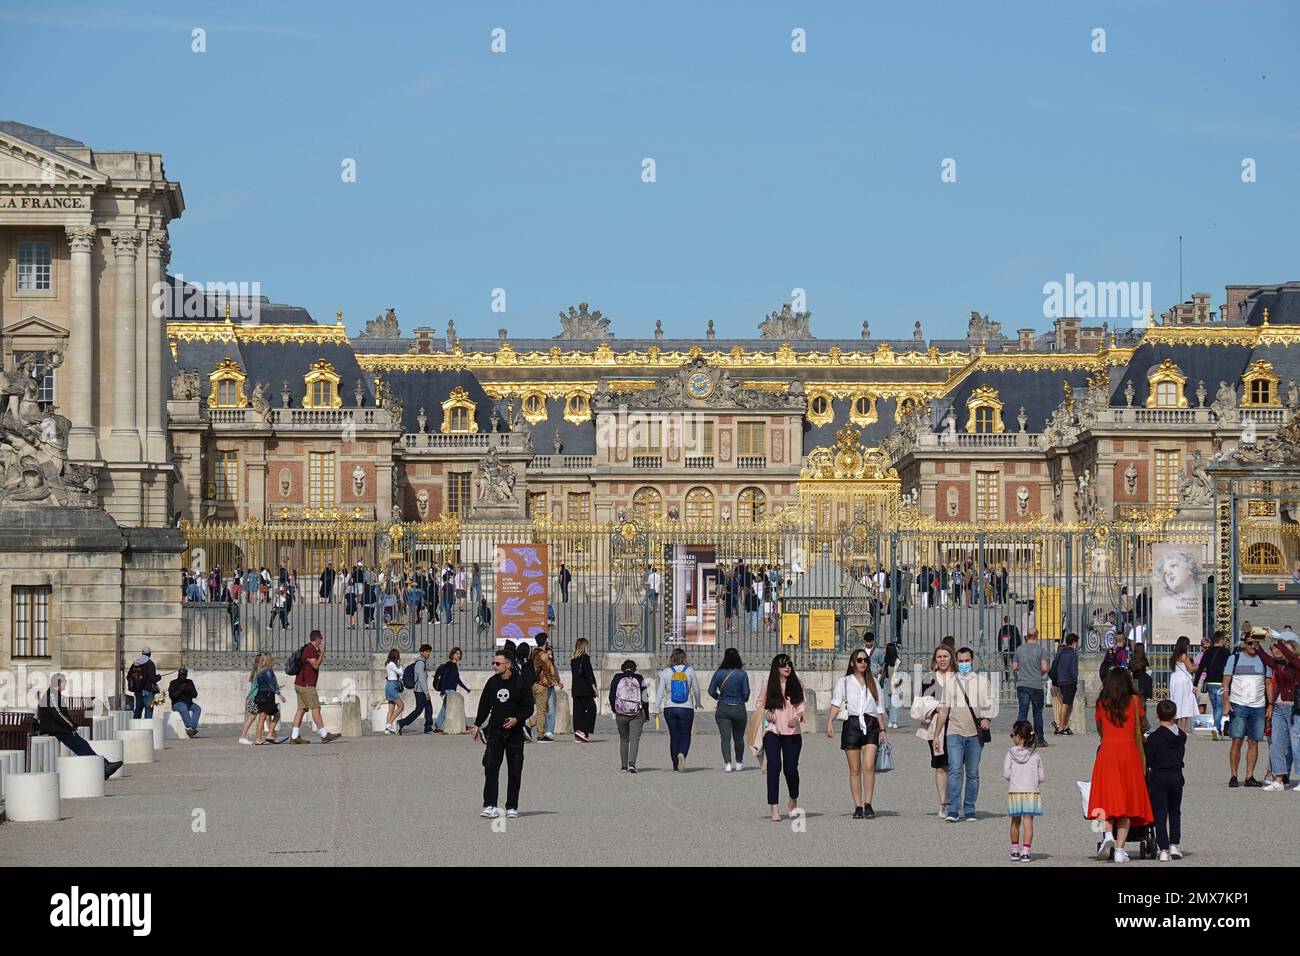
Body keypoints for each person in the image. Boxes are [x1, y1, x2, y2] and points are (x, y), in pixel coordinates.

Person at [1089, 669, 1155, 863]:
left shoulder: (1102, 703)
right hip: (1128, 753)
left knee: (1107, 798)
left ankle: (1107, 835)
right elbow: (1142, 725)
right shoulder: (1135, 702)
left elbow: (1100, 729)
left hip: (1108, 752)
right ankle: (1119, 849)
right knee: (1126, 802)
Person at [469, 649, 534, 819]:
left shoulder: (521, 683)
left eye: (497, 663)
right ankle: (490, 804)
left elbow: (529, 707)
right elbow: (484, 705)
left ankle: (512, 806)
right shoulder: (492, 683)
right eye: (493, 663)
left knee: (514, 770)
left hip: (514, 734)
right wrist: (477, 724)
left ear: (508, 665)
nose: (494, 666)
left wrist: (517, 719)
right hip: (495, 732)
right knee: (491, 768)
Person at [827, 647, 886, 818]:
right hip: (852, 724)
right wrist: (830, 721)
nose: (863, 663)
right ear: (853, 663)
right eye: (859, 660)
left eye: (865, 660)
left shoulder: (874, 682)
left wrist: (882, 728)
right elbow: (836, 703)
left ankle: (868, 803)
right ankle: (858, 806)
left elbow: (879, 708)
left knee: (869, 765)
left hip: (871, 723)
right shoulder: (844, 682)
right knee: (855, 769)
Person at [943, 647, 995, 822]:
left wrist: (987, 719)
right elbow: (944, 710)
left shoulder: (982, 682)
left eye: (967, 660)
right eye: (961, 661)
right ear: (956, 662)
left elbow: (989, 704)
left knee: (972, 772)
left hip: (974, 733)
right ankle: (952, 809)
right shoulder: (950, 683)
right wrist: (936, 734)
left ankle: (970, 808)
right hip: (954, 731)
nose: (964, 664)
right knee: (955, 769)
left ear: (972, 661)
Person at [37, 674, 123, 780]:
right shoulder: (51, 696)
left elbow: (63, 714)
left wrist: (72, 725)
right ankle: (103, 767)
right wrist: (71, 726)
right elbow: (58, 714)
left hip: (60, 728)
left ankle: (104, 766)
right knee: (79, 745)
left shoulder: (55, 695)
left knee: (82, 744)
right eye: (64, 683)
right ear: (58, 684)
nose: (65, 685)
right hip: (54, 729)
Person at [759, 653, 806, 821]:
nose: (787, 668)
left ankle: (793, 798)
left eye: (789, 665)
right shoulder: (768, 685)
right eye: (783, 665)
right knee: (774, 766)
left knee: (791, 769)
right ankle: (774, 807)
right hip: (772, 731)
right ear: (776, 668)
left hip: (792, 732)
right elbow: (760, 703)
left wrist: (798, 716)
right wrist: (767, 713)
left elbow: (801, 705)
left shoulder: (797, 684)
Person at [1224, 632, 1272, 787]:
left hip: (1258, 706)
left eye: (1256, 643)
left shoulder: (1264, 661)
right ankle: (1233, 775)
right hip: (1238, 704)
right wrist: (1226, 702)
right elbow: (1225, 682)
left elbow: (1268, 683)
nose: (1253, 646)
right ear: (1244, 644)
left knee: (1254, 742)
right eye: (1250, 643)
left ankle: (1249, 776)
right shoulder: (1234, 658)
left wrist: (1270, 704)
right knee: (1237, 740)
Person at [1144, 699, 1187, 861]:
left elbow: (1149, 759)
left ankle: (1163, 849)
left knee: (1160, 814)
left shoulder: (1154, 738)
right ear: (1175, 715)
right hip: (1176, 774)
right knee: (1175, 811)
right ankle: (1174, 844)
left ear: (1157, 714)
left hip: (1159, 775)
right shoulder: (1181, 736)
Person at [918, 644, 959, 816]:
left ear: (951, 658)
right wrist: (939, 707)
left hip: (957, 724)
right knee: (941, 765)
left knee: (957, 765)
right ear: (935, 659)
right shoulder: (930, 679)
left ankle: (956, 801)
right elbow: (924, 702)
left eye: (945, 656)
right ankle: (943, 803)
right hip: (936, 726)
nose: (942, 660)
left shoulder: (959, 678)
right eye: (939, 657)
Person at [1258, 635, 1300, 790]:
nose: (1278, 651)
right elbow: (1265, 658)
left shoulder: (1297, 664)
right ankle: (1278, 780)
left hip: (1294, 710)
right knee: (1276, 743)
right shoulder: (1279, 665)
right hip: (1279, 708)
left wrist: (1277, 641)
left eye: (1284, 650)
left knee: (1296, 744)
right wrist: (1257, 645)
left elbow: (1290, 657)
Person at [653, 647, 702, 771]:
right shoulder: (689, 671)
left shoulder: (666, 672)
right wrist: (698, 702)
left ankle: (675, 765)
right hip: (686, 707)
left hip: (670, 707)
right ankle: (682, 753)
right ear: (684, 658)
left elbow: (660, 692)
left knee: (674, 736)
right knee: (686, 734)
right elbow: (696, 689)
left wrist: (656, 709)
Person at [291, 630, 341, 744]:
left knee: (301, 709)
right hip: (306, 685)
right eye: (321, 639)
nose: (321, 641)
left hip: (300, 683)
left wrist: (318, 653)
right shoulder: (309, 650)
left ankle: (294, 736)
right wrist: (322, 653)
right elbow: (316, 665)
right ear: (317, 639)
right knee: (316, 708)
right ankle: (324, 734)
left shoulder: (311, 649)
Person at [1003, 720, 1044, 861]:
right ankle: (1026, 851)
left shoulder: (1010, 753)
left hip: (1015, 791)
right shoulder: (1035, 755)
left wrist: (1016, 778)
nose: (1012, 737)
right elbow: (1042, 777)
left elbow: (1006, 773)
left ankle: (1015, 849)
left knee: (1015, 822)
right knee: (1028, 822)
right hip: (1031, 792)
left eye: (1012, 735)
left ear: (1019, 737)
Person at [708, 647, 751, 771]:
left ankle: (727, 763)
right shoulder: (742, 674)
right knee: (739, 737)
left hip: (723, 708)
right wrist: (743, 699)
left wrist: (719, 697)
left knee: (725, 737)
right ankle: (738, 762)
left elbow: (711, 690)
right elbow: (746, 692)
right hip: (738, 708)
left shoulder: (719, 673)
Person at [1011, 627, 1050, 746]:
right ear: (1037, 636)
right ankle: (1039, 739)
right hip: (1036, 684)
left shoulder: (1019, 649)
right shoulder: (1041, 650)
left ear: (1026, 636)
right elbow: (1044, 668)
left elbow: (1014, 667)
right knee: (1037, 713)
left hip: (1023, 683)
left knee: (1023, 712)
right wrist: (1041, 672)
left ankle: (1020, 737)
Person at [609, 659, 649, 772]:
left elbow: (611, 695)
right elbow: (645, 698)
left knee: (624, 739)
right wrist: (645, 713)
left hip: (620, 712)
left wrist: (614, 709)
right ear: (634, 668)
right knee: (634, 739)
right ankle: (632, 764)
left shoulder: (617, 678)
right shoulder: (639, 678)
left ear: (623, 668)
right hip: (636, 713)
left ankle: (623, 766)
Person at [1194, 630, 1230, 737]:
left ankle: (1217, 729)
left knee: (1215, 707)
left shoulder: (1207, 652)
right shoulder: (1226, 652)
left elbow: (1200, 668)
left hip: (1209, 682)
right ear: (1221, 640)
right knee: (1219, 707)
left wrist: (1195, 683)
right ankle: (1216, 726)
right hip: (1221, 682)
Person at [528, 634, 562, 741]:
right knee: (542, 710)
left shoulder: (533, 653)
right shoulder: (543, 655)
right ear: (546, 642)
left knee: (543, 709)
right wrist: (556, 682)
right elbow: (548, 671)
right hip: (542, 684)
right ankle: (540, 734)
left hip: (534, 684)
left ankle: (528, 724)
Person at [397, 645, 435, 735]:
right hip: (419, 690)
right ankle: (401, 723)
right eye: (426, 651)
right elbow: (421, 679)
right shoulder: (420, 663)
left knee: (428, 707)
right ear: (421, 652)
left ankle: (428, 727)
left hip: (421, 690)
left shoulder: (422, 662)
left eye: (429, 651)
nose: (428, 653)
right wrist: (426, 693)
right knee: (419, 710)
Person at [432, 647, 471, 733]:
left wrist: (466, 688)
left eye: (459, 653)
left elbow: (457, 679)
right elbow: (444, 677)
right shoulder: (449, 665)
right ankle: (464, 725)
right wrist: (443, 691)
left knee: (445, 708)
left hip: (452, 689)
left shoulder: (455, 666)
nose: (458, 655)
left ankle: (437, 726)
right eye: (456, 653)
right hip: (448, 690)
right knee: (458, 706)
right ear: (452, 654)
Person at [252, 656, 288, 745]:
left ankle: (261, 738)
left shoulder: (260, 671)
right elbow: (270, 683)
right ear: (269, 661)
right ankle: (269, 735)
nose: (273, 662)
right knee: (275, 715)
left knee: (262, 717)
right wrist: (279, 694)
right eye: (272, 660)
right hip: (267, 696)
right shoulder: (268, 671)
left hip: (261, 695)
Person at [1049, 633, 1079, 735]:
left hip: (1061, 681)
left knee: (1067, 704)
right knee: (1066, 705)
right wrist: (1075, 680)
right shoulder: (1072, 654)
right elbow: (1074, 671)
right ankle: (1061, 727)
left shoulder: (1061, 652)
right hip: (1069, 681)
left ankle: (1064, 726)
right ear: (1074, 642)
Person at [570, 638, 598, 742]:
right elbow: (589, 674)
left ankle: (579, 734)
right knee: (592, 709)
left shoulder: (573, 659)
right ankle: (584, 730)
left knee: (578, 712)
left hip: (576, 689)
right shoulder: (585, 658)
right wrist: (594, 688)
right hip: (585, 689)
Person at [1167, 643, 1198, 734]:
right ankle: (1182, 729)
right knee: (1184, 704)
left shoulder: (1174, 656)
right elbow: (1190, 669)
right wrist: (1200, 666)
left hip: (1175, 679)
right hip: (1183, 681)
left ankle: (1175, 727)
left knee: (1176, 702)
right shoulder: (1184, 655)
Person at [238, 653, 267, 745]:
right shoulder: (259, 673)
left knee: (260, 716)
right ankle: (243, 737)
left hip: (253, 698)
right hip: (255, 698)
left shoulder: (255, 671)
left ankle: (270, 734)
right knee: (252, 717)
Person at [127, 646, 160, 719]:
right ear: (149, 654)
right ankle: (147, 728)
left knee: (138, 711)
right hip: (148, 691)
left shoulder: (135, 663)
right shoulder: (150, 663)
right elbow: (152, 678)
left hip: (138, 691)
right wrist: (159, 677)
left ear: (142, 653)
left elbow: (128, 676)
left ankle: (135, 728)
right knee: (149, 711)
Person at [167, 668, 201, 737]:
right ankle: (190, 727)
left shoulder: (189, 682)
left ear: (186, 675)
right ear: (178, 675)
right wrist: (181, 689)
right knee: (183, 707)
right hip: (177, 703)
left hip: (189, 703)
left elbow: (195, 695)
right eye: (181, 675)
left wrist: (190, 690)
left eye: (184, 675)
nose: (183, 677)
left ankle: (191, 727)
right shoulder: (173, 683)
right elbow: (172, 696)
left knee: (197, 708)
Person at [382, 649, 404, 734]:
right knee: (401, 706)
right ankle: (389, 724)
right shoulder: (392, 664)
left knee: (391, 709)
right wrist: (400, 665)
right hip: (392, 686)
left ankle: (387, 729)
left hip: (389, 685)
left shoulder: (388, 664)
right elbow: (401, 673)